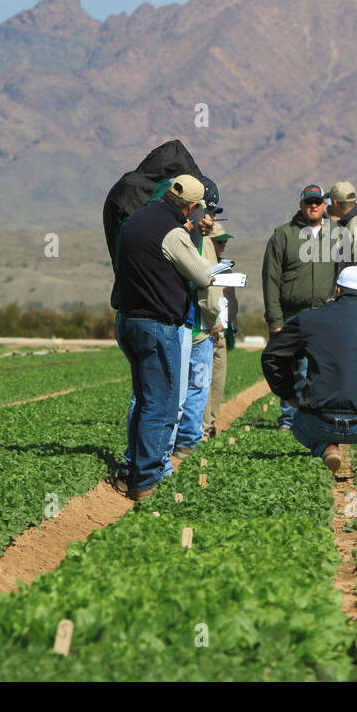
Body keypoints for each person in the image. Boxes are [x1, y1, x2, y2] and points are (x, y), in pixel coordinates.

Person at [111, 175, 217, 500]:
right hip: (156, 325)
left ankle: (132, 467)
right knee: (163, 404)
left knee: (144, 400)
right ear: (193, 207)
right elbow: (202, 276)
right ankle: (147, 481)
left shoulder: (136, 220)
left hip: (126, 320)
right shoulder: (172, 232)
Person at [261, 267, 357, 474]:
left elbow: (272, 356)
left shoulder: (308, 320)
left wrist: (287, 393)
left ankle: (325, 447)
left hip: (318, 423)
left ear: (338, 290)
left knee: (296, 421)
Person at [262, 184, 341, 431]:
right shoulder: (283, 234)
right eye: (309, 202)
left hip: (326, 314)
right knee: (292, 366)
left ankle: (318, 417)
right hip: (292, 314)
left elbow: (345, 272)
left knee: (322, 367)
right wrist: (275, 321)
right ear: (301, 205)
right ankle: (289, 420)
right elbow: (271, 279)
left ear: (325, 205)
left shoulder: (338, 234)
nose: (313, 205)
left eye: (318, 202)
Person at [172, 202, 223, 460]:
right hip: (198, 326)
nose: (213, 219)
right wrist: (214, 319)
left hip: (175, 323)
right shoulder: (202, 242)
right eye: (211, 213)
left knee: (173, 384)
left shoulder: (173, 233)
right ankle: (187, 442)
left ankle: (167, 440)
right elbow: (210, 291)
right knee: (196, 385)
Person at [201, 220, 238, 439]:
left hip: (222, 331)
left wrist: (232, 324)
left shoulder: (226, 266)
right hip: (205, 330)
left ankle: (211, 424)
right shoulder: (201, 265)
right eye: (219, 242)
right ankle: (202, 428)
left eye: (224, 241)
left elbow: (231, 299)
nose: (222, 245)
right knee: (203, 381)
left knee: (218, 381)